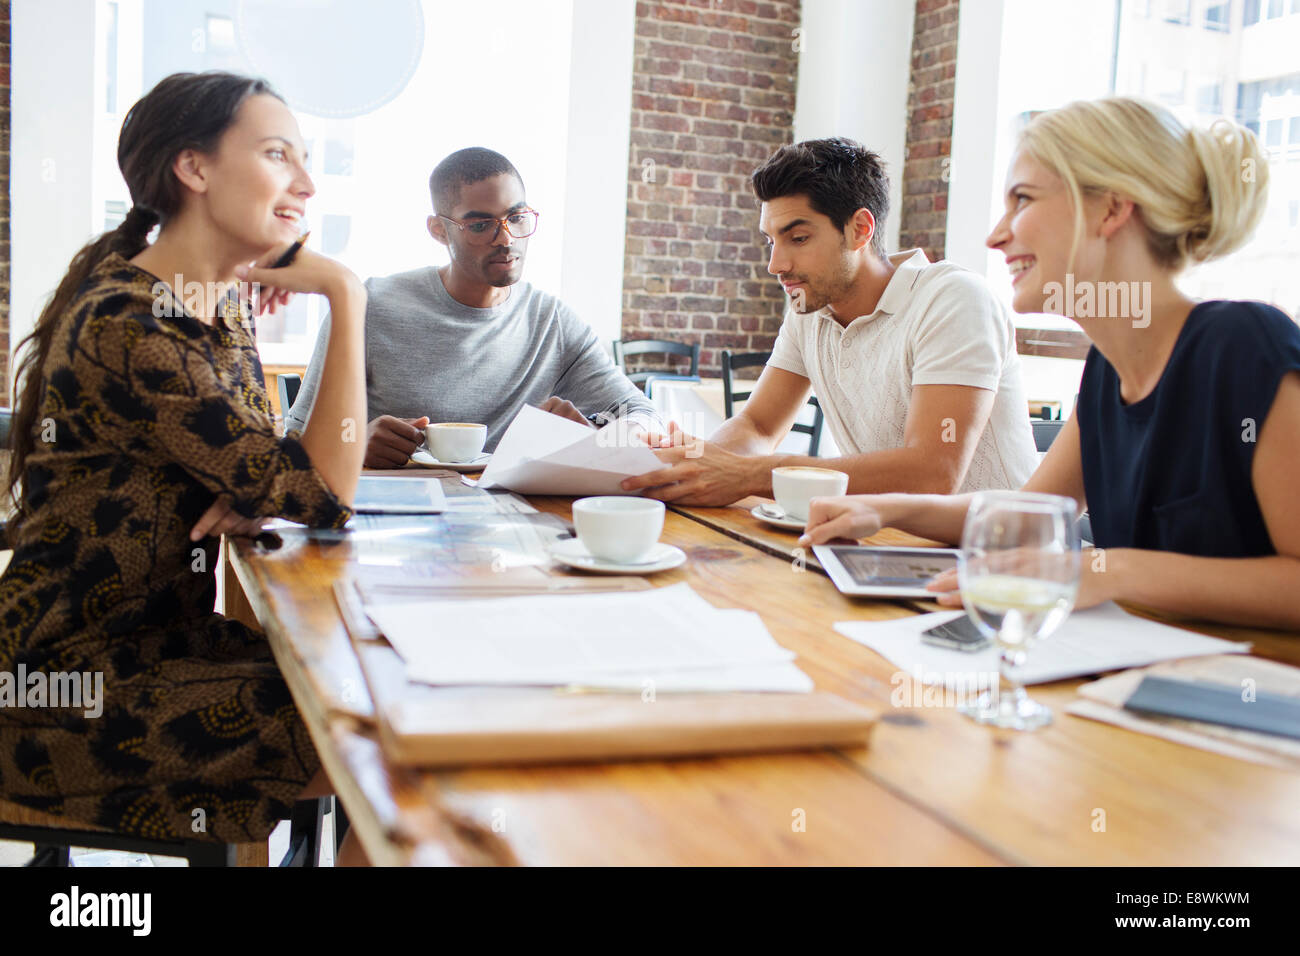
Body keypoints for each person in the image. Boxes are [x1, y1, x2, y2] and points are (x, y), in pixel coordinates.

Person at [0, 71, 374, 862]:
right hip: (57, 687)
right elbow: (325, 492)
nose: (306, 183)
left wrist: (255, 488)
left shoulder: (214, 306)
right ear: (193, 169)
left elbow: (280, 475)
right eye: (279, 155)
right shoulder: (131, 325)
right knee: (374, 735)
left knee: (382, 693)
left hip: (158, 643)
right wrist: (345, 294)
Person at [801, 97, 1300, 631]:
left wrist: (1108, 569)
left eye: (1023, 199)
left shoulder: (1245, 345)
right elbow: (1027, 514)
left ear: (1111, 208)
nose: (995, 235)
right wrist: (887, 511)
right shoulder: (1109, 372)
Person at [622, 137, 1039, 505]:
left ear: (859, 229)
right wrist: (696, 469)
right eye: (771, 241)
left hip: (1000, 561)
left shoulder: (953, 299)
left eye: (798, 238)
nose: (775, 264)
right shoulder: (810, 308)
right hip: (884, 543)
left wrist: (751, 476)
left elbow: (932, 473)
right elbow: (758, 424)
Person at [285, 147, 660, 467]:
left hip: (510, 527)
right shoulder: (370, 306)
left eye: (516, 218)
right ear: (438, 230)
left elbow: (645, 417)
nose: (506, 238)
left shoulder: (552, 322)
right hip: (394, 525)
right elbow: (296, 436)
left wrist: (595, 432)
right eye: (481, 225)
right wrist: (353, 444)